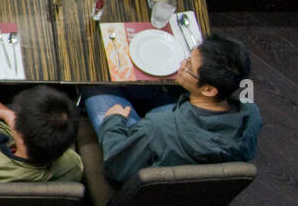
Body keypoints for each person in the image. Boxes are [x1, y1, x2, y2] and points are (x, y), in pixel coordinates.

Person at [82, 34, 262, 186]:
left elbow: (117, 167)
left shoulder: (158, 127)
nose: (181, 64)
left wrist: (113, 122)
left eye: (188, 66)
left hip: (142, 179)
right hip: (182, 161)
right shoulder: (251, 116)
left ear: (209, 90)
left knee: (93, 81)